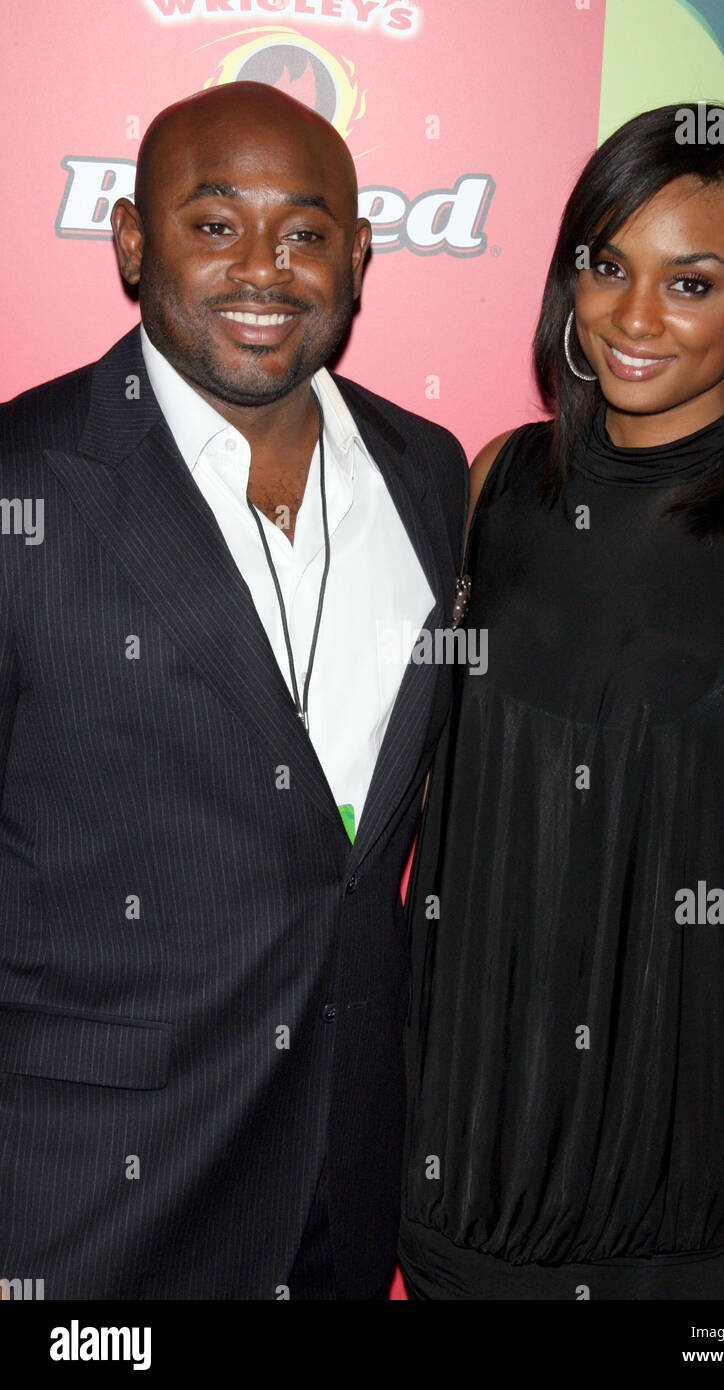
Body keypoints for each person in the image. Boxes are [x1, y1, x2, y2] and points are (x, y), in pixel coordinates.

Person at [0, 81, 467, 1300]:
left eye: (307, 232)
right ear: (131, 238)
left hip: (346, 1186)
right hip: (80, 1201)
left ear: (360, 256)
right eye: (214, 224)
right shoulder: (20, 483)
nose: (265, 267)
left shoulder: (430, 476)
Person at [399, 103, 724, 1300]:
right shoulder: (494, 480)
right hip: (464, 1153)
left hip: (685, 1170)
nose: (632, 317)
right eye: (606, 265)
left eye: (692, 282)